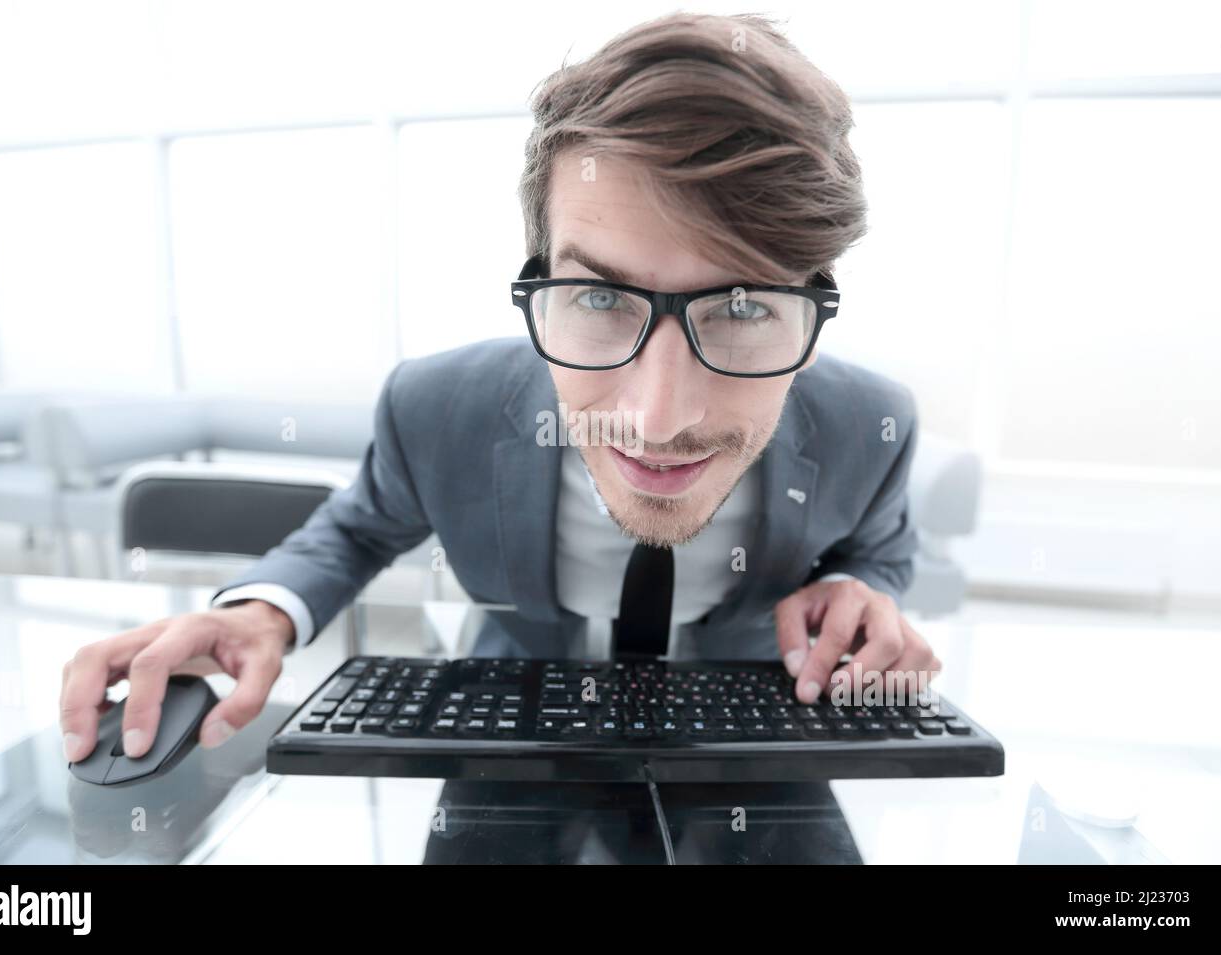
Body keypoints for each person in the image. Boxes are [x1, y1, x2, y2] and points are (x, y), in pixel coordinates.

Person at [60, 12, 940, 779]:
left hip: (753, 738)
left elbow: (882, 551)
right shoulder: (436, 407)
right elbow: (358, 530)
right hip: (507, 731)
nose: (657, 418)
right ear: (539, 279)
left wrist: (860, 586)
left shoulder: (872, 424)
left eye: (743, 308)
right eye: (599, 298)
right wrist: (262, 612)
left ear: (817, 301)